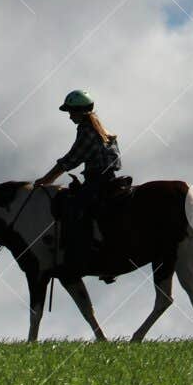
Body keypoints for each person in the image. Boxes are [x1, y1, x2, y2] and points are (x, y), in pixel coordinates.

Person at [33, 90, 123, 272]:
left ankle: (87, 251)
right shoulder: (103, 130)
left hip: (97, 180)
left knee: (74, 210)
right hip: (109, 178)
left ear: (81, 111)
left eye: (71, 112)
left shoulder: (87, 130)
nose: (70, 116)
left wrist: (45, 180)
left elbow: (71, 159)